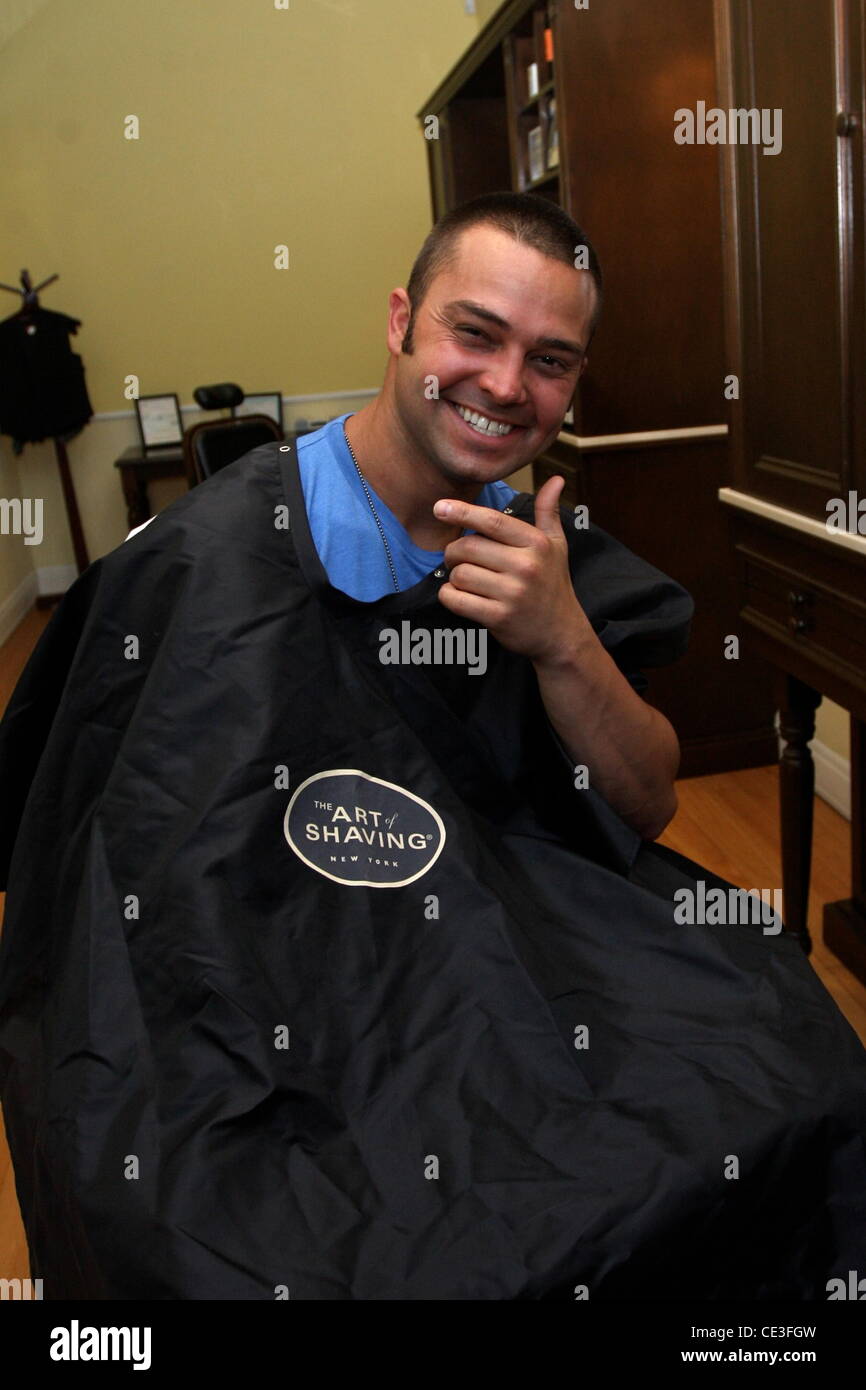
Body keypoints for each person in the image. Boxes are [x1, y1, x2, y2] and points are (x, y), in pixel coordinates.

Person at [1, 193, 864, 1300]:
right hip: (270, 985)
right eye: (475, 333)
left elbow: (644, 800)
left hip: (500, 958)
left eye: (550, 360)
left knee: (800, 1072)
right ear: (402, 321)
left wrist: (560, 638)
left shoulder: (551, 551)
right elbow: (121, 853)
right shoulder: (199, 563)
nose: (506, 385)